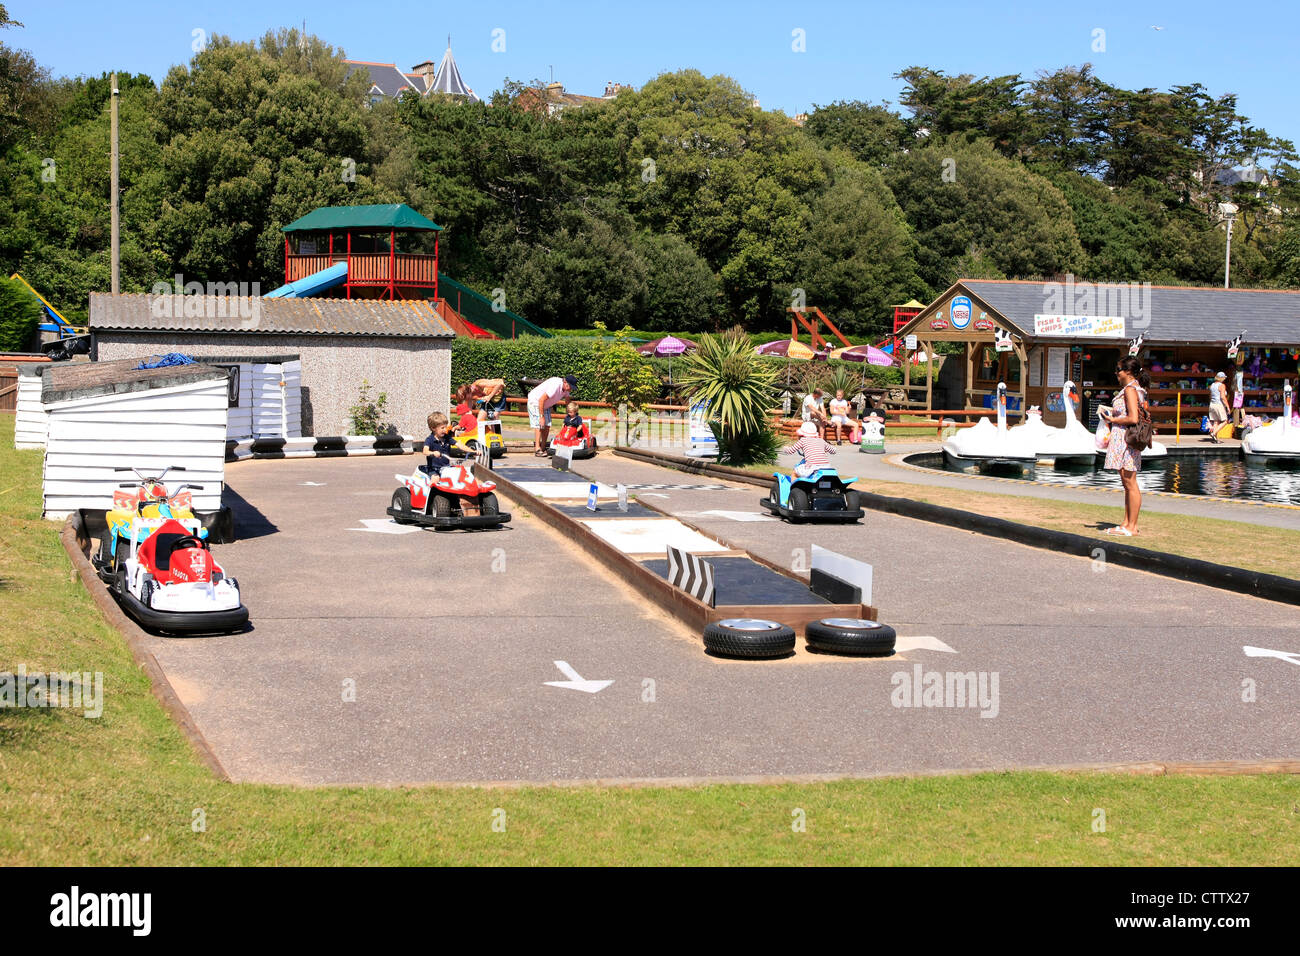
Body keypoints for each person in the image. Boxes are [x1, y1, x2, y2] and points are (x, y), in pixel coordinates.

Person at [1100, 356, 1150, 536]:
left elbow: (1133, 418)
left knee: (1130, 482)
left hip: (1127, 438)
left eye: (1118, 370)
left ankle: (1132, 526)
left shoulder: (1130, 388)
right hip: (1126, 438)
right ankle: (1126, 522)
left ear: (1128, 372)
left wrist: (1113, 419)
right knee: (1127, 481)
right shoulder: (1135, 388)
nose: (1116, 373)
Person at [528, 375, 575, 456]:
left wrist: (571, 413)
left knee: (547, 425)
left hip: (545, 405)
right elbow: (541, 400)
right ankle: (537, 449)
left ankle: (543, 448)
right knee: (539, 424)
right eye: (570, 387)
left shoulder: (566, 388)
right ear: (565, 382)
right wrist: (541, 417)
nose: (571, 389)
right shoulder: (555, 386)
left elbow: (567, 400)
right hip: (535, 402)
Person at [1207, 371, 1229, 444]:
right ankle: (1213, 433)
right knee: (1225, 421)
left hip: (1212, 404)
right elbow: (1222, 397)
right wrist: (1227, 407)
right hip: (1219, 404)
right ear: (1222, 378)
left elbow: (1210, 396)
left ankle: (1215, 439)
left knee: (1216, 421)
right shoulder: (1222, 385)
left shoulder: (1212, 385)